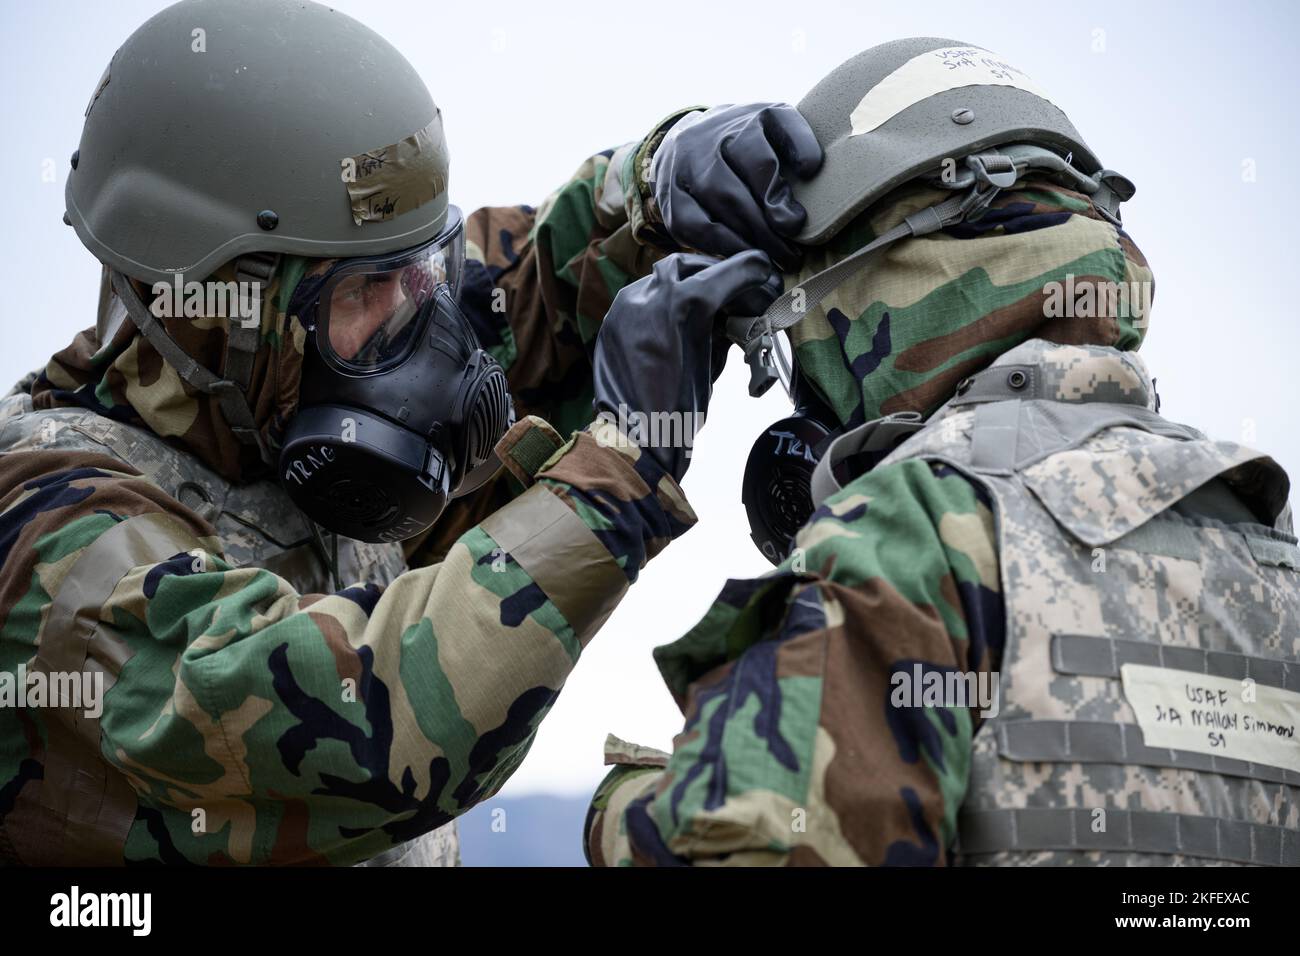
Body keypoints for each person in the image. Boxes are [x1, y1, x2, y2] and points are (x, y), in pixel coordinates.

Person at [0, 0, 821, 866]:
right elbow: (359, 721)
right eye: (363, 293)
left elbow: (528, 282)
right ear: (218, 311)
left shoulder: (278, 393)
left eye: (421, 271)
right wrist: (619, 470)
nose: (417, 331)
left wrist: (657, 188)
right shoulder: (46, 544)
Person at [585, 37, 1300, 867]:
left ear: (881, 277)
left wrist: (634, 807)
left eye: (795, 336)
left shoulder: (921, 522)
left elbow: (744, 849)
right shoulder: (1273, 542)